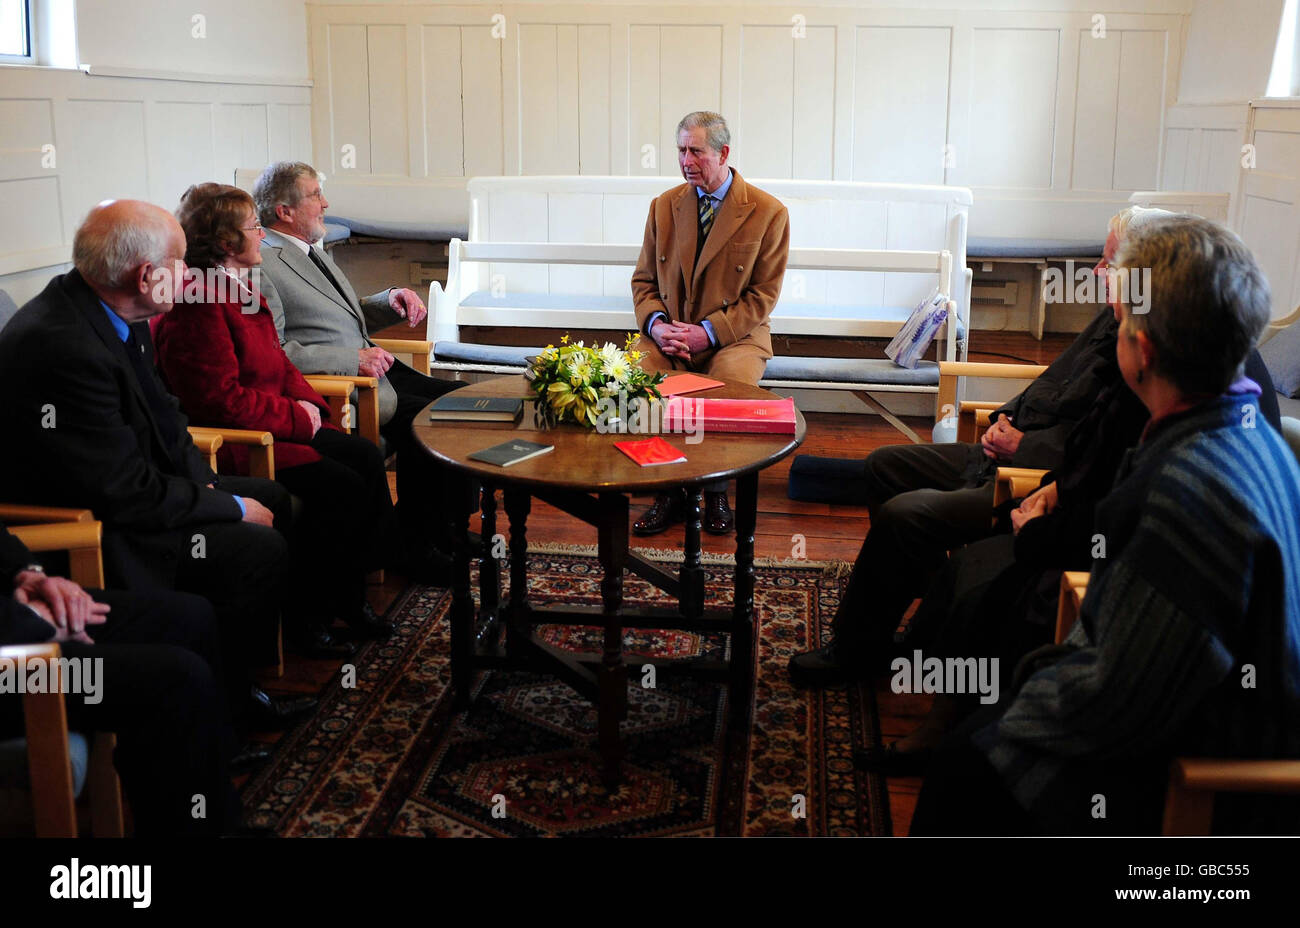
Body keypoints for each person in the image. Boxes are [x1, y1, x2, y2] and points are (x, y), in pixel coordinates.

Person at [911, 216, 1300, 835]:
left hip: (1196, 773)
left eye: (1119, 322)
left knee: (966, 763)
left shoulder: (1188, 491)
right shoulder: (1245, 434)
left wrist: (1025, 685)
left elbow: (1114, 702)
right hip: (1206, 710)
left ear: (1141, 352)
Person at [788, 206, 1174, 686]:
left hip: (1026, 478)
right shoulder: (1110, 318)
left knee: (906, 515)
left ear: (1143, 272)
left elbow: (1096, 448)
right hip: (999, 451)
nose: (1095, 272)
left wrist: (1026, 446)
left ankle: (860, 653)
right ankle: (925, 597)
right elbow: (1050, 381)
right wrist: (1003, 417)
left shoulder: (1144, 347)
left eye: (1108, 264)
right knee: (885, 466)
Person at [0, 200, 314, 730]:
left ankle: (240, 681)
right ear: (147, 275)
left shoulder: (121, 307)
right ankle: (229, 706)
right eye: (181, 264)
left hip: (133, 490)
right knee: (257, 546)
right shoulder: (63, 344)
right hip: (93, 525)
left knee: (275, 499)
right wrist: (230, 507)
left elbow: (168, 420)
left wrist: (211, 485)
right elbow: (124, 492)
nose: (190, 275)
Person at [153, 183, 396, 649]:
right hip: (244, 443)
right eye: (253, 227)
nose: (262, 235)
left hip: (276, 423)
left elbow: (279, 361)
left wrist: (315, 410)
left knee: (363, 455)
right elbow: (219, 402)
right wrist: (300, 420)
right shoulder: (196, 302)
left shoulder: (236, 286)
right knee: (341, 485)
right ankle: (309, 616)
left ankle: (349, 596)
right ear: (226, 243)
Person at [252, 162, 467, 577]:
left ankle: (441, 529)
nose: (325, 203)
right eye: (315, 195)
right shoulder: (264, 263)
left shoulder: (310, 250)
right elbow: (277, 351)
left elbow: (343, 318)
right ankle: (416, 547)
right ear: (284, 210)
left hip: (376, 369)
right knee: (433, 421)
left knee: (457, 403)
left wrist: (390, 300)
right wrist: (351, 360)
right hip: (343, 385)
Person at [0, 522, 241, 835]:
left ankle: (215, 819)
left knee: (188, 617)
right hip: (12, 669)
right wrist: (32, 624)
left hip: (13, 616)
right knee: (174, 681)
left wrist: (27, 573)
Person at [629, 111, 791, 535]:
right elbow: (643, 280)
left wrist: (707, 333)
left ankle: (715, 490)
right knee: (638, 380)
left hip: (735, 337)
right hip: (671, 333)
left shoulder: (768, 212)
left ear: (723, 152)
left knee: (726, 391)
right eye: (681, 150)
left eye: (695, 151)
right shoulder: (664, 206)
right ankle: (665, 488)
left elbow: (763, 296)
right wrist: (659, 326)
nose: (686, 160)